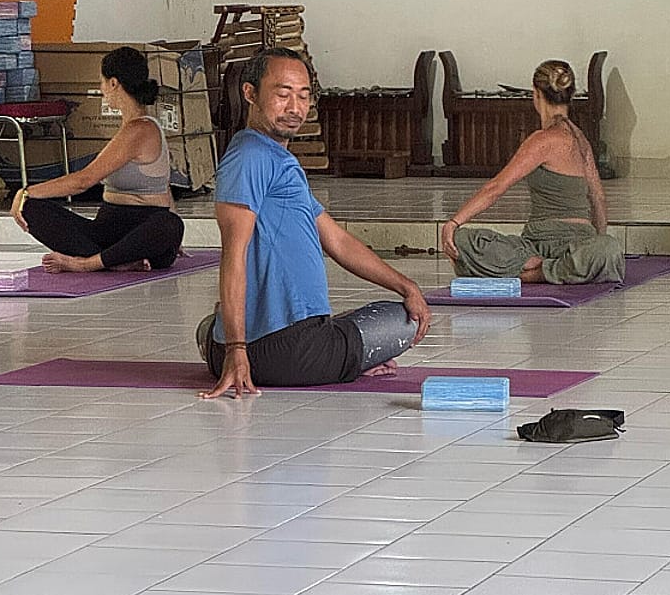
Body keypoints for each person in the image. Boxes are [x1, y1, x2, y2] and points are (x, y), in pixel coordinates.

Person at [197, 47, 432, 399]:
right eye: (282, 94)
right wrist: (236, 349)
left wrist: (406, 285)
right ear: (249, 93)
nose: (295, 108)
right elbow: (234, 254)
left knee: (206, 327)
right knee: (399, 320)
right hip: (293, 352)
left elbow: (337, 241)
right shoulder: (249, 157)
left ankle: (336, 352)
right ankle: (342, 358)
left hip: (259, 348)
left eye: (303, 96)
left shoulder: (274, 158)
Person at [441, 59, 624, 284]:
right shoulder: (581, 139)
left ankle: (536, 273)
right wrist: (598, 238)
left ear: (536, 94)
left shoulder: (542, 140)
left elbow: (496, 188)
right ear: (572, 94)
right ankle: (559, 270)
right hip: (537, 246)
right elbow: (598, 197)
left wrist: (453, 222)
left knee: (459, 239)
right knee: (607, 247)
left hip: (564, 247)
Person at [10, 46, 184, 272]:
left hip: (144, 230)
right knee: (30, 209)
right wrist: (28, 199)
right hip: (107, 230)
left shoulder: (142, 129)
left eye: (102, 82)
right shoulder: (126, 128)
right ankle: (116, 262)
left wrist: (25, 192)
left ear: (114, 83)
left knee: (170, 225)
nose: (101, 89)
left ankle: (88, 264)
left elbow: (83, 181)